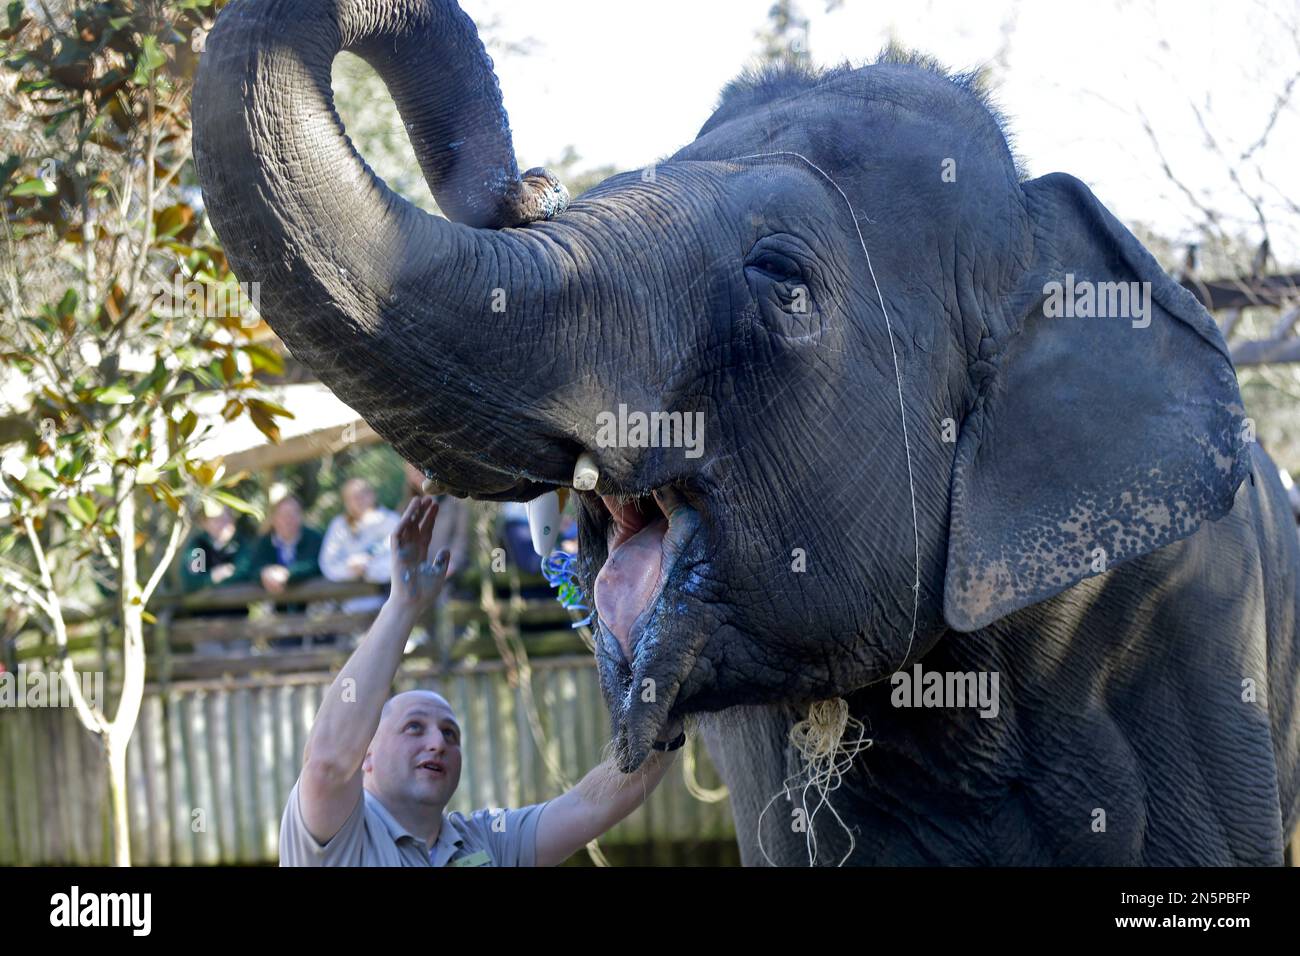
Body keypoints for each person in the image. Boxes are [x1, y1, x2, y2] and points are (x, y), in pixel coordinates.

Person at [279, 495, 684, 867]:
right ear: (365, 757)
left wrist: (664, 716)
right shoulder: (335, 838)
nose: (437, 743)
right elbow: (328, 764)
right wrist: (402, 606)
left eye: (451, 734)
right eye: (413, 728)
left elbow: (589, 806)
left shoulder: (488, 841)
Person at [179, 502, 255, 655]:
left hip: (238, 620)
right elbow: (192, 581)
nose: (223, 524)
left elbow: (245, 574)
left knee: (241, 668)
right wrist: (213, 577)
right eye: (216, 520)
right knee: (211, 668)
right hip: (205, 622)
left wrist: (217, 580)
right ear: (204, 523)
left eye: (226, 519)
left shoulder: (241, 545)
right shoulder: (199, 548)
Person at [249, 493, 324, 646]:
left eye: (293, 513)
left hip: (314, 614)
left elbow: (317, 564)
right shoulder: (263, 542)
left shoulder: (314, 538)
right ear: (274, 518)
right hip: (278, 616)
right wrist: (264, 573)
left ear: (301, 516)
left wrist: (288, 574)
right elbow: (252, 568)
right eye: (283, 514)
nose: (288, 519)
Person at [320, 478, 400, 613]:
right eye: (352, 497)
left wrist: (368, 567)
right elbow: (328, 564)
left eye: (363, 494)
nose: (359, 500)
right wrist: (349, 568)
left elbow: (398, 557)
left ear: (373, 495)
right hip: (348, 604)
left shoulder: (391, 520)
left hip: (387, 600)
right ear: (346, 502)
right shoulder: (338, 525)